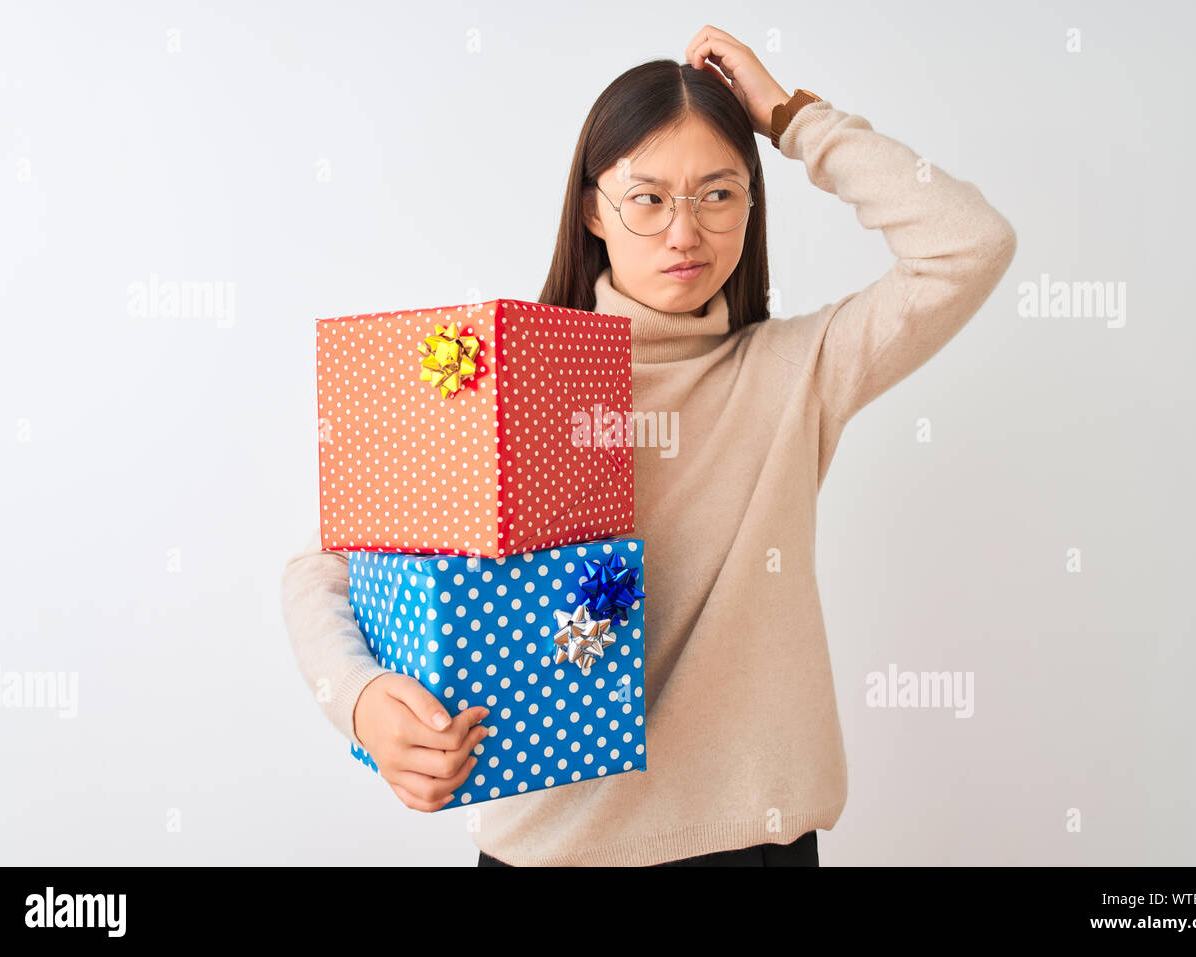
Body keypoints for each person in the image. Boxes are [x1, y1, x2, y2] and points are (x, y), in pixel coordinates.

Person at [280, 25, 1017, 867]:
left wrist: (792, 119)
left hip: (753, 844)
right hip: (549, 852)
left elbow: (970, 244)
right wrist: (363, 700)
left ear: (752, 203)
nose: (683, 233)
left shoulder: (795, 371)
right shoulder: (509, 377)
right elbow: (323, 566)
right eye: (649, 196)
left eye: (718, 194)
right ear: (593, 207)